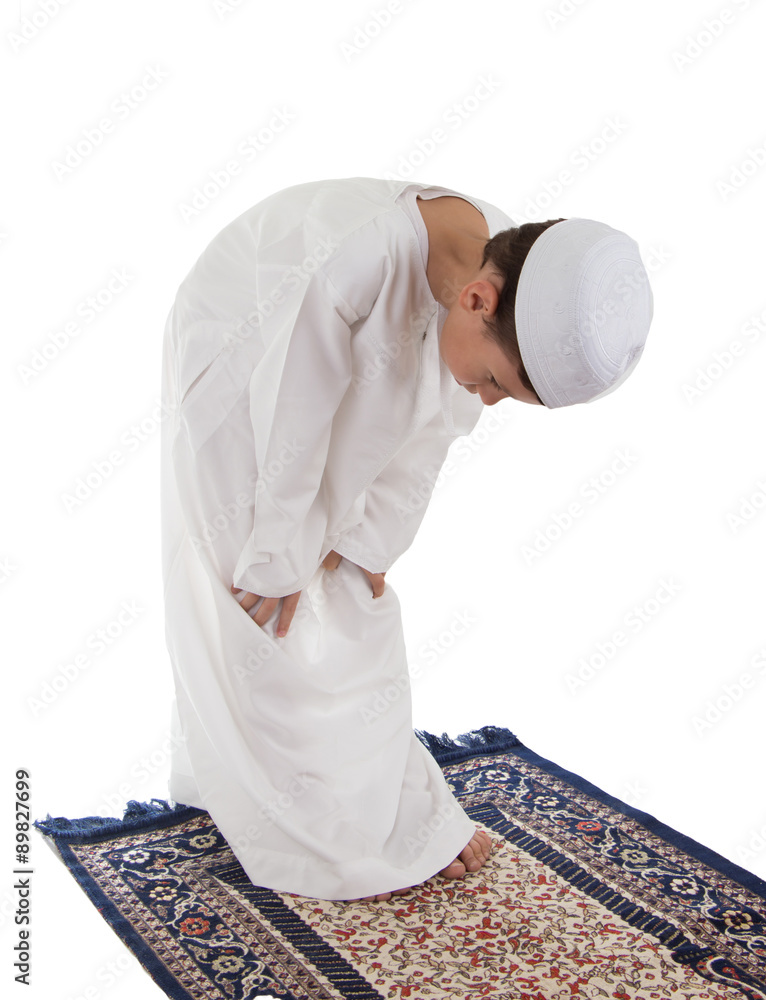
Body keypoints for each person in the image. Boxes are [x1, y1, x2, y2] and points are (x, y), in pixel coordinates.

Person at [160, 176, 653, 903]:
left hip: (331, 346)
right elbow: (295, 425)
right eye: (493, 382)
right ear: (476, 301)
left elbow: (432, 424)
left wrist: (367, 544)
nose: (485, 400)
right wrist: (279, 553)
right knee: (254, 593)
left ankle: (363, 801)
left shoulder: (510, 268)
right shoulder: (358, 261)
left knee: (352, 589)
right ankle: (312, 836)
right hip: (247, 332)